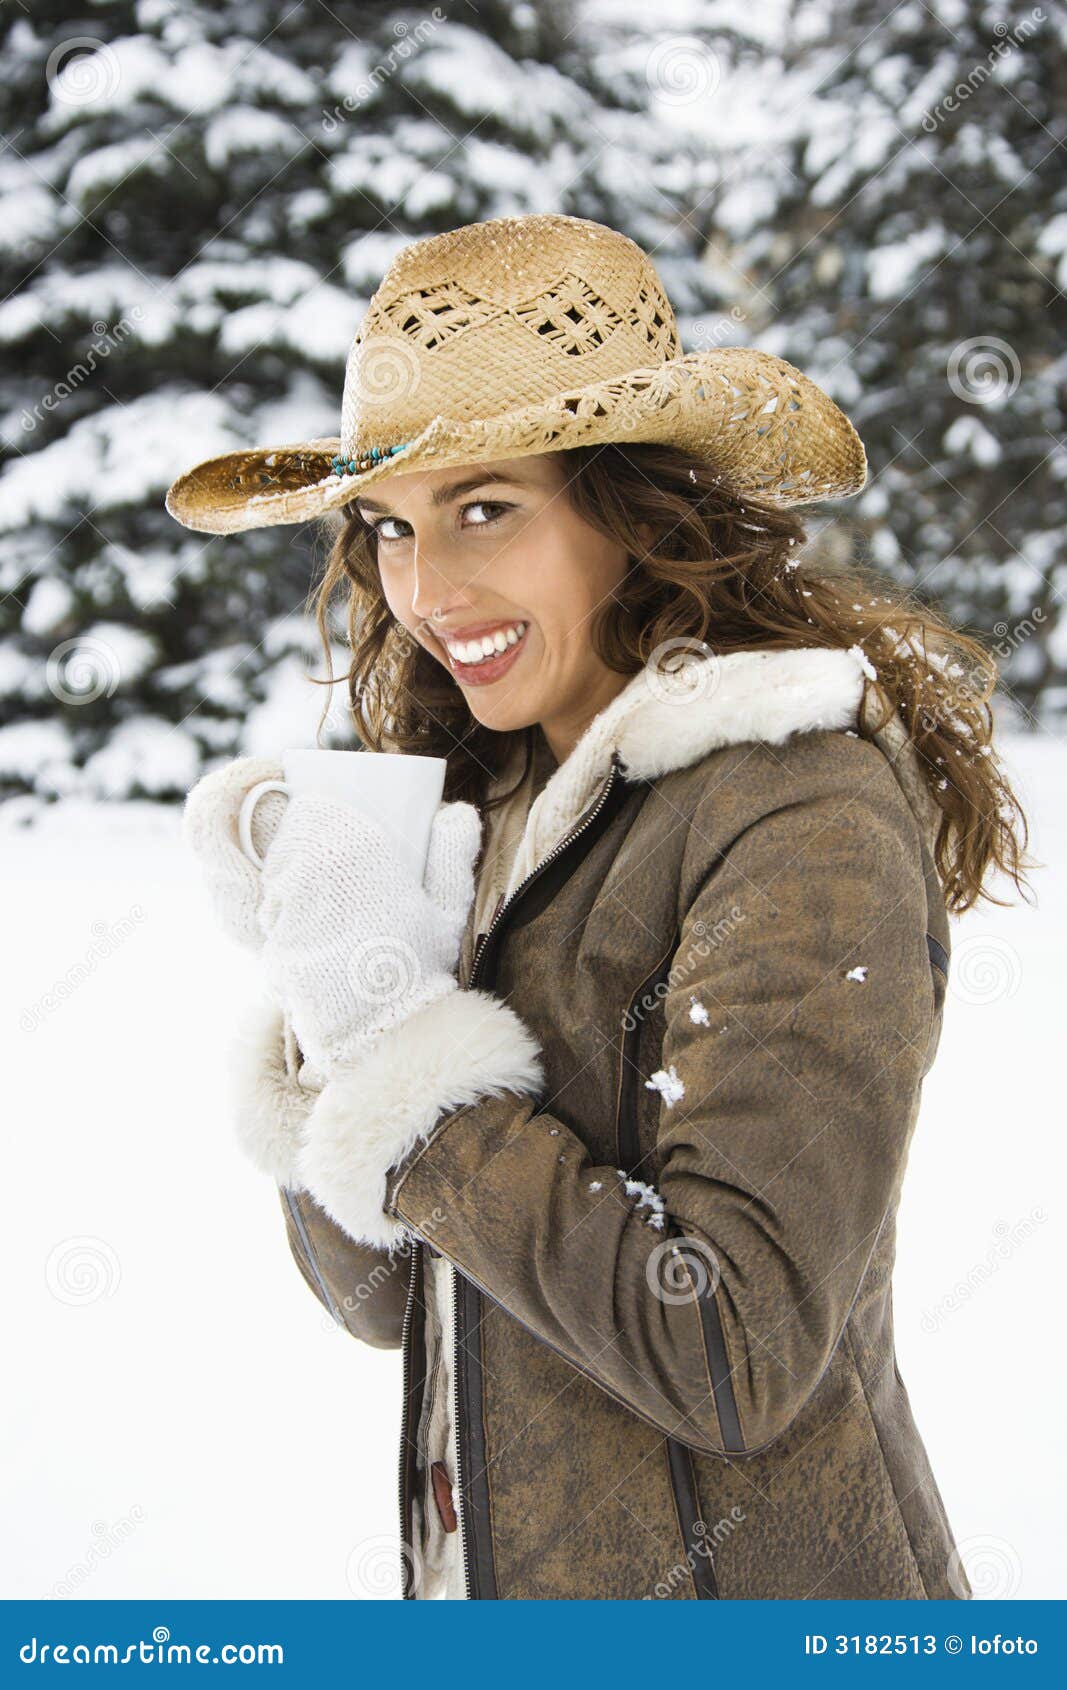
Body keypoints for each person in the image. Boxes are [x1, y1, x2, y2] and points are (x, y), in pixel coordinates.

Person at [168, 213, 1030, 1601]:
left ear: (628, 508)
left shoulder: (793, 808)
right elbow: (385, 1296)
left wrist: (413, 1075)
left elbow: (731, 1348)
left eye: (485, 507)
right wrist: (337, 999)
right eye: (389, 524)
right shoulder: (483, 800)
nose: (426, 589)